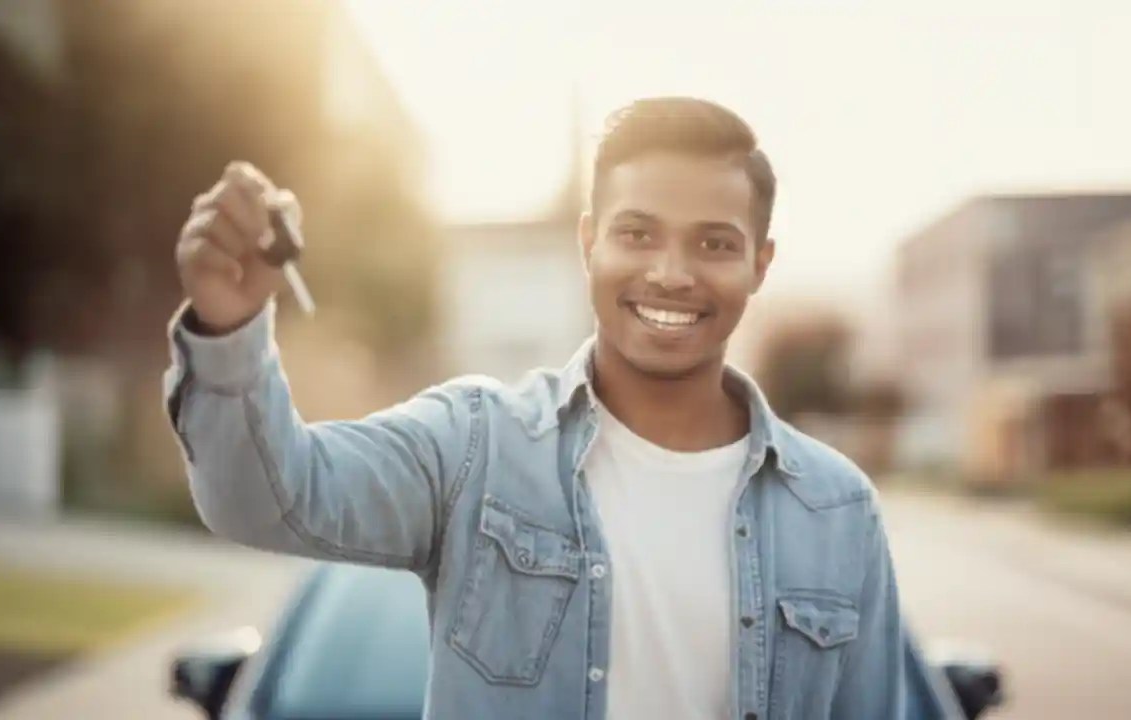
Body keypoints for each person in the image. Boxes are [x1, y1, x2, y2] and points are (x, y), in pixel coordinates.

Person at [165, 97, 908, 719]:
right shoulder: (474, 449)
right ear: (589, 243)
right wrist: (230, 328)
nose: (670, 273)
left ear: (759, 265)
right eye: (636, 233)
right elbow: (264, 500)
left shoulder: (838, 512)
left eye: (714, 243)